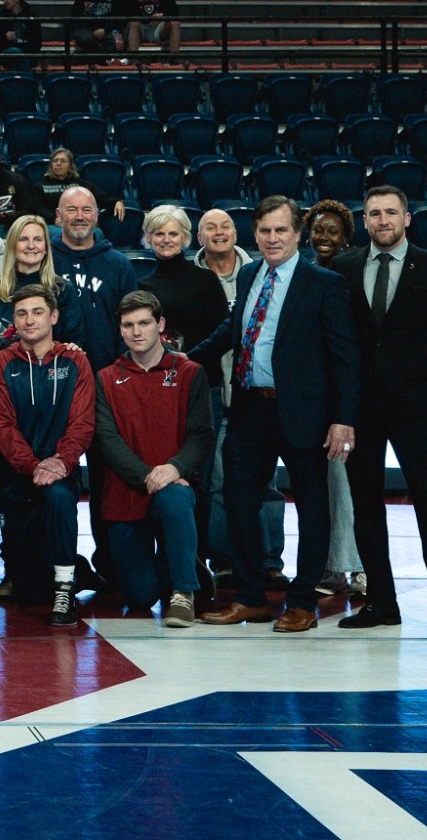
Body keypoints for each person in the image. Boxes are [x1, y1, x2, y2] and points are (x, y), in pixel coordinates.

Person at [189, 196, 359, 633]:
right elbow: (234, 331)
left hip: (304, 414)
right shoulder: (249, 274)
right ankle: (250, 598)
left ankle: (302, 601)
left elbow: (344, 357)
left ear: (298, 234)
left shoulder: (323, 283)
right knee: (239, 502)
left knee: (313, 510)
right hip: (249, 407)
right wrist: (184, 361)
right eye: (265, 231)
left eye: (281, 230)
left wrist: (343, 419)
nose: (272, 238)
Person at [333, 185, 427, 635]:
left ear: (407, 218)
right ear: (364, 220)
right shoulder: (344, 267)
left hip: (415, 407)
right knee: (367, 509)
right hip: (361, 410)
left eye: (391, 212)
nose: (383, 220)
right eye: (374, 213)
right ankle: (381, 603)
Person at [95, 291, 211, 626]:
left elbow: (201, 435)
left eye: (144, 322)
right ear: (120, 330)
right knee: (139, 597)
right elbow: (107, 439)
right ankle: (185, 561)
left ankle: (183, 591)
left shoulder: (190, 372)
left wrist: (174, 468)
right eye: (128, 325)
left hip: (175, 486)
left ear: (160, 325)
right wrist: (150, 474)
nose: (136, 331)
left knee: (174, 497)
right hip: (126, 494)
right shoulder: (106, 378)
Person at [0, 285, 96, 626]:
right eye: (21, 313)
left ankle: (66, 587)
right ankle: (74, 571)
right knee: (31, 592)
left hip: (61, 473)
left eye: (37, 312)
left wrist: (61, 461)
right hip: (17, 478)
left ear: (54, 317)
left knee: (61, 499)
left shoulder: (76, 361)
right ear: (13, 321)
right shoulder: (0, 362)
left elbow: (82, 422)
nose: (29, 320)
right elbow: (3, 426)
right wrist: (33, 466)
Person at [195, 208, 286, 588]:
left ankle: (269, 560)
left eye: (226, 226)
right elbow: (223, 332)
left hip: (267, 396)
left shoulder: (258, 271)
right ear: (198, 237)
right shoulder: (193, 279)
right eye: (210, 227)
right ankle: (226, 559)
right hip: (217, 395)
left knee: (268, 485)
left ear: (238, 232)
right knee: (220, 483)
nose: (219, 232)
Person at [305, 200, 366, 598]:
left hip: (351, 397)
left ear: (346, 236)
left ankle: (361, 567)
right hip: (313, 398)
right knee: (327, 487)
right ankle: (332, 565)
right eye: (317, 230)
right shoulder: (302, 274)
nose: (324, 238)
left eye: (332, 231)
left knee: (355, 485)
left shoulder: (356, 274)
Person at [0, 213, 84, 372]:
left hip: (51, 374)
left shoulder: (63, 289)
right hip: (6, 374)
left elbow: (74, 339)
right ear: (12, 246)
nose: (31, 245)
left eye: (38, 239)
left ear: (46, 248)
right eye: (23, 239)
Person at [53, 185, 137, 373]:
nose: (80, 217)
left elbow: (131, 320)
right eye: (72, 210)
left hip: (108, 372)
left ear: (97, 216)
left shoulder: (119, 264)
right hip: (53, 373)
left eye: (87, 210)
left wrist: (121, 366)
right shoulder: (44, 261)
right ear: (59, 215)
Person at [137, 205, 228, 354]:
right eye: (159, 234)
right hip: (162, 372)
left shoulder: (206, 279)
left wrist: (190, 361)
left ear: (184, 237)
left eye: (173, 234)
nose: (166, 240)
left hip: (204, 370)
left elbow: (223, 335)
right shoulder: (142, 287)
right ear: (149, 237)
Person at [33, 148, 122, 223]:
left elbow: (102, 197)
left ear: (70, 166)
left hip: (80, 223)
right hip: (55, 225)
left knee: (97, 233)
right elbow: (38, 208)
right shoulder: (40, 186)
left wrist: (116, 202)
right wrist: (54, 219)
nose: (58, 163)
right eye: (55, 161)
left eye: (63, 161)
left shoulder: (81, 184)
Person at [0, 0, 44, 71]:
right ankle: (29, 79)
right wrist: (5, 37)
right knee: (14, 52)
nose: (5, 1)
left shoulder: (31, 16)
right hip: (6, 54)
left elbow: (37, 41)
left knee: (18, 59)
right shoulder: (0, 16)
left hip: (27, 55)